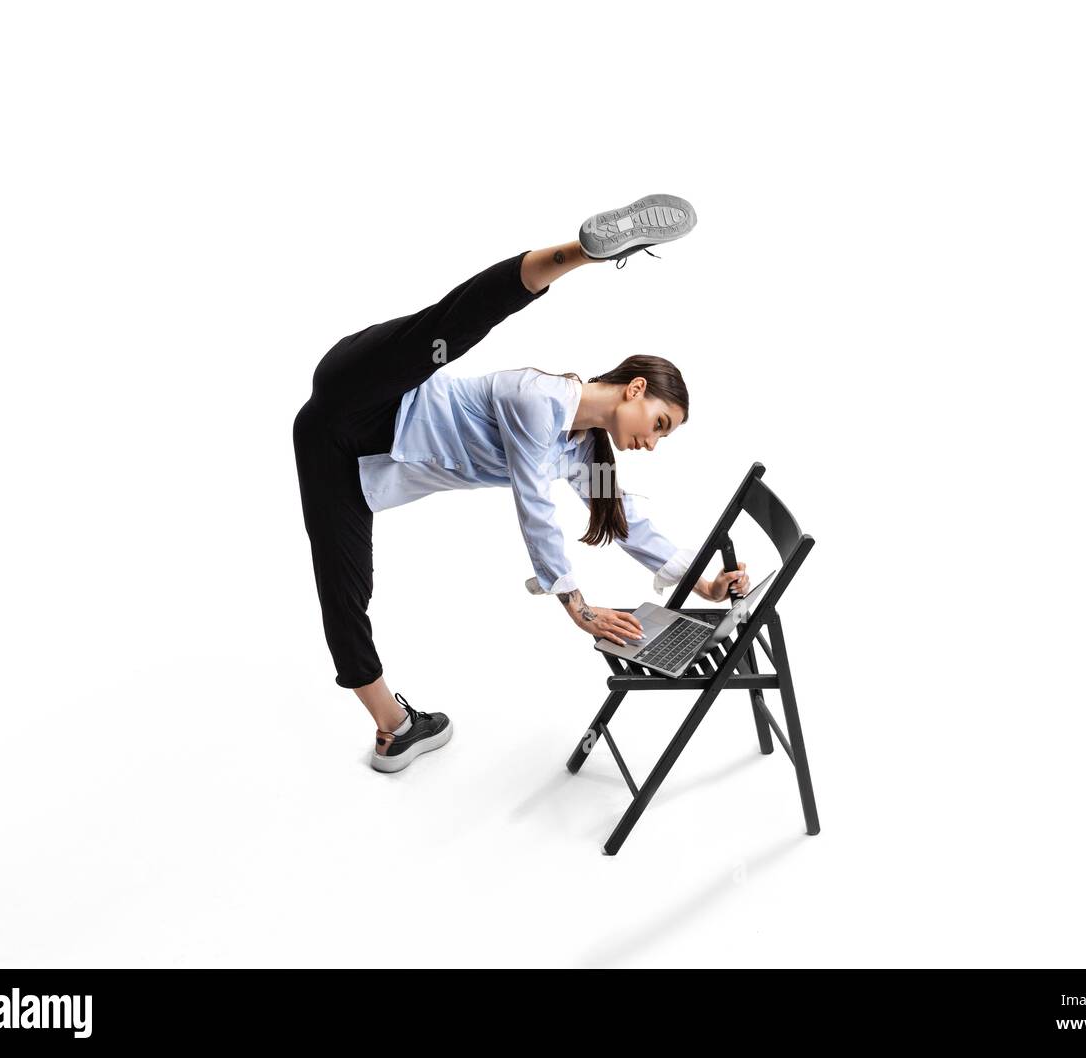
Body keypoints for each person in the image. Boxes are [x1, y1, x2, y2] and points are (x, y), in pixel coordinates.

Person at [292, 194, 750, 773]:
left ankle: (395, 728)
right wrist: (576, 606)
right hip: (376, 389)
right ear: (635, 388)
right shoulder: (539, 401)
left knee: (345, 591)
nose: (653, 443)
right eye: (659, 424)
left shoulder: (584, 448)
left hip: (343, 453)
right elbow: (534, 505)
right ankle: (580, 252)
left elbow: (628, 521)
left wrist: (704, 583)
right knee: (448, 329)